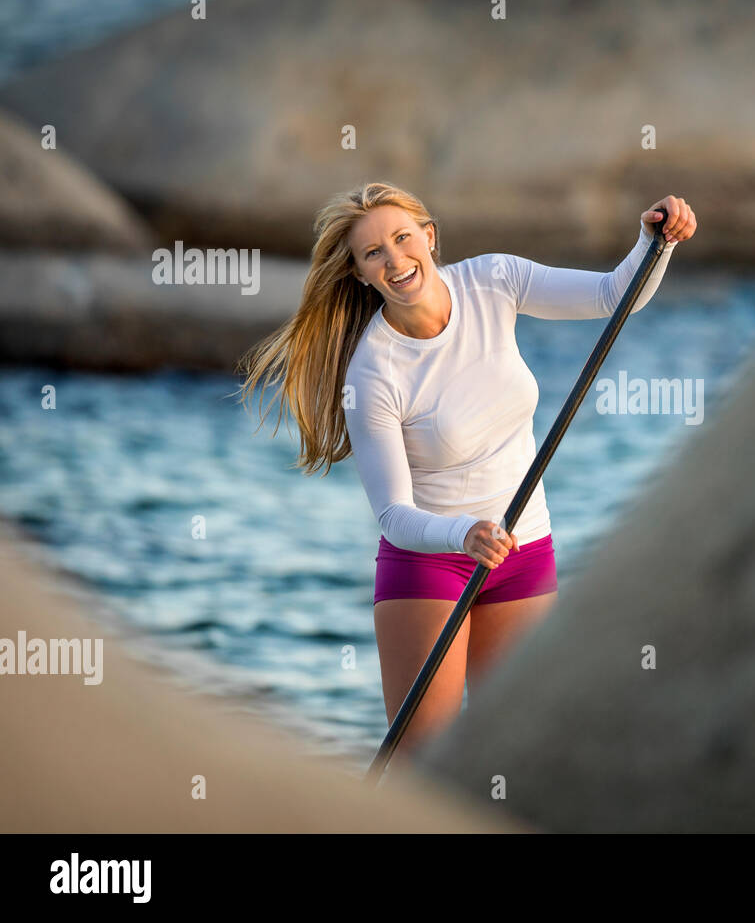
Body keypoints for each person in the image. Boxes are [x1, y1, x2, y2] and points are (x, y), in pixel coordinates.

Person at [236, 181, 696, 759]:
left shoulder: (493, 281)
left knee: (518, 750)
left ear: (429, 237)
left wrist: (656, 242)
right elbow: (393, 516)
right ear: (358, 273)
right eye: (373, 252)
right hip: (429, 566)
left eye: (403, 238)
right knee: (423, 762)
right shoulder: (373, 374)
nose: (395, 259)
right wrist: (463, 533)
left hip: (524, 552)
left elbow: (613, 295)